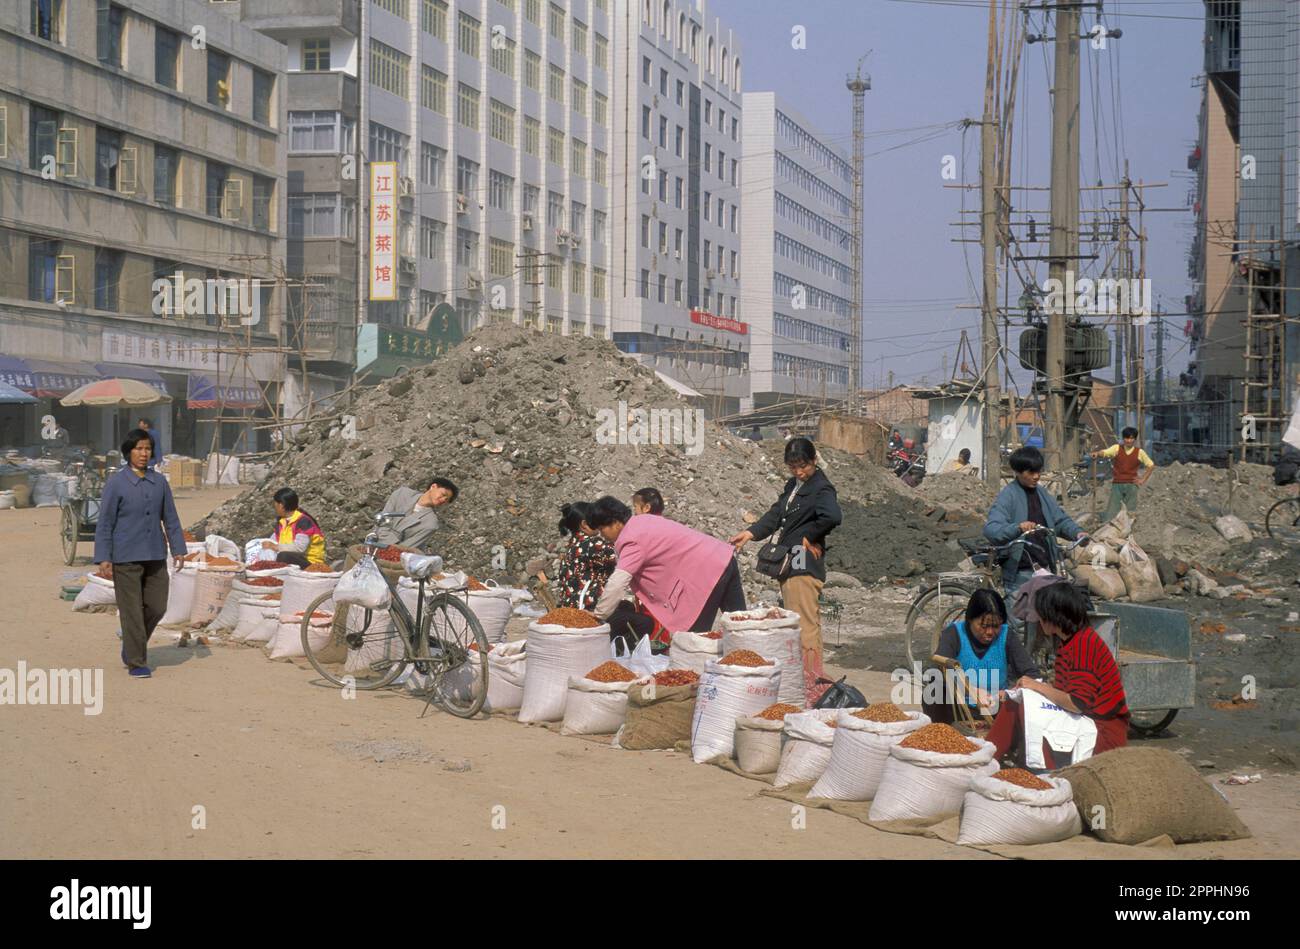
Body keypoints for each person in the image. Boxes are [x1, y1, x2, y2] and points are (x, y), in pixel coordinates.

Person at [729, 437, 842, 684]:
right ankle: (807, 675)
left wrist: (808, 536)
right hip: (790, 556)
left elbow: (833, 516)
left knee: (804, 621)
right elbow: (776, 513)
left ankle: (811, 679)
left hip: (802, 559)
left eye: (803, 466)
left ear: (814, 460)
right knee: (797, 616)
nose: (799, 471)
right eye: (793, 467)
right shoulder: (795, 485)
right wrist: (751, 533)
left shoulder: (821, 487)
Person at [987, 582, 1129, 769]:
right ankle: (989, 755)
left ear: (1053, 617)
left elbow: (1077, 703)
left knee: (1026, 708)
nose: (1038, 620)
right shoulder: (1071, 641)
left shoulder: (1083, 645)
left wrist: (1038, 687)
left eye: (1041, 615)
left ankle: (1047, 775)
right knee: (1018, 699)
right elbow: (1065, 691)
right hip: (1087, 720)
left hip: (1103, 731)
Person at [94, 429, 186, 678]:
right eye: (139, 449)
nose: (144, 454)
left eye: (147, 449)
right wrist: (104, 556)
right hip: (125, 556)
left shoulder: (159, 483)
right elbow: (105, 523)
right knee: (132, 610)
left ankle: (132, 644)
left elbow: (171, 518)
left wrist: (178, 548)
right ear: (128, 452)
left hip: (155, 554)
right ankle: (136, 661)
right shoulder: (117, 483)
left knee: (157, 605)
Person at [589, 496, 745, 633]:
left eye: (602, 529)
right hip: (723, 557)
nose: (603, 536)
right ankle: (749, 662)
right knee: (741, 628)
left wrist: (599, 615)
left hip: (705, 576)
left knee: (692, 641)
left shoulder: (631, 538)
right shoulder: (645, 520)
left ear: (616, 523)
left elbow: (619, 580)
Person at [984, 446, 1087, 608]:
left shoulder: (1042, 494)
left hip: (1044, 566)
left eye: (1038, 472)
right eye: (1031, 473)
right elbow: (992, 529)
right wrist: (1017, 528)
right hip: (1020, 569)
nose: (1036, 477)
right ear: (1017, 472)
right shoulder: (1008, 496)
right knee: (1020, 624)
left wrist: (1077, 533)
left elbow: (1059, 520)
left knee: (1046, 619)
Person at [922, 589, 1040, 724]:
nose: (990, 632)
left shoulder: (1006, 636)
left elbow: (1032, 674)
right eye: (983, 626)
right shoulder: (954, 633)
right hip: (960, 709)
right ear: (970, 619)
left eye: (996, 626)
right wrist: (971, 691)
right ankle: (943, 732)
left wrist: (1008, 693)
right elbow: (938, 670)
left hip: (995, 707)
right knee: (933, 691)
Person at [555, 501, 657, 651]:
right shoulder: (593, 545)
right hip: (586, 611)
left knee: (627, 606)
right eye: (598, 523)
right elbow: (627, 556)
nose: (601, 528)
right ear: (584, 524)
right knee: (645, 622)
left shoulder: (575, 543)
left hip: (572, 605)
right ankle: (616, 652)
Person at [372, 477, 458, 552]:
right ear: (433, 486)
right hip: (374, 539)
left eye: (446, 500)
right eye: (443, 494)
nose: (443, 500)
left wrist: (385, 547)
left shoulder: (431, 523)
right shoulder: (402, 493)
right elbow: (383, 520)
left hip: (392, 557)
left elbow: (405, 548)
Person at [1097, 426, 1155, 522]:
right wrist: (1097, 453)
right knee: (1112, 509)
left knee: (1130, 511)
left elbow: (1151, 465)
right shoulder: (1117, 448)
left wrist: (1142, 479)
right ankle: (1108, 529)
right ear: (1123, 438)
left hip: (1131, 485)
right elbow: (1105, 452)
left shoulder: (1139, 452)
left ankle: (1128, 530)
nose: (1128, 440)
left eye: (1131, 438)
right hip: (1117, 484)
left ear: (1135, 439)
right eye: (1126, 438)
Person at [262, 487, 327, 567]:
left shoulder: (303, 521)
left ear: (281, 505)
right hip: (294, 558)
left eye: (275, 505)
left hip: (311, 563)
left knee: (284, 556)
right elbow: (273, 540)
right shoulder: (282, 522)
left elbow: (299, 547)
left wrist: (275, 547)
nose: (275, 509)